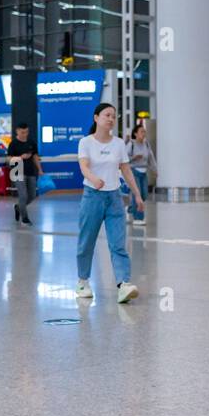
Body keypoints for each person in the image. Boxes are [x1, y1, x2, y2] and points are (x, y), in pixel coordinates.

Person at [76, 103, 143, 303]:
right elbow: (83, 166)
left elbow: (126, 170)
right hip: (92, 196)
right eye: (107, 115)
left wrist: (137, 195)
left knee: (118, 244)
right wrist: (93, 178)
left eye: (114, 116)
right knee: (86, 242)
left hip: (114, 197)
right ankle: (82, 281)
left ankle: (123, 284)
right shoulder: (86, 142)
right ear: (96, 118)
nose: (111, 119)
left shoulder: (119, 144)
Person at [6, 122, 41, 227]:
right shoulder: (13, 144)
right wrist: (20, 157)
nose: (24, 134)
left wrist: (40, 169)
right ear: (17, 131)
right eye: (22, 132)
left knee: (32, 195)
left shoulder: (31, 142)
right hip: (17, 171)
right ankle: (24, 218)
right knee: (23, 195)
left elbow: (35, 156)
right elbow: (8, 159)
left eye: (26, 132)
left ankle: (18, 207)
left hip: (30, 171)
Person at [125, 122, 156, 226]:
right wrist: (134, 158)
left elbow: (151, 158)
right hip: (134, 172)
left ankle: (130, 208)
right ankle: (138, 218)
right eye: (141, 132)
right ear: (135, 134)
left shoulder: (146, 144)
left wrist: (155, 169)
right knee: (136, 194)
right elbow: (124, 159)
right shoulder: (131, 145)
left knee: (144, 194)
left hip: (144, 172)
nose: (144, 134)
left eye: (144, 132)